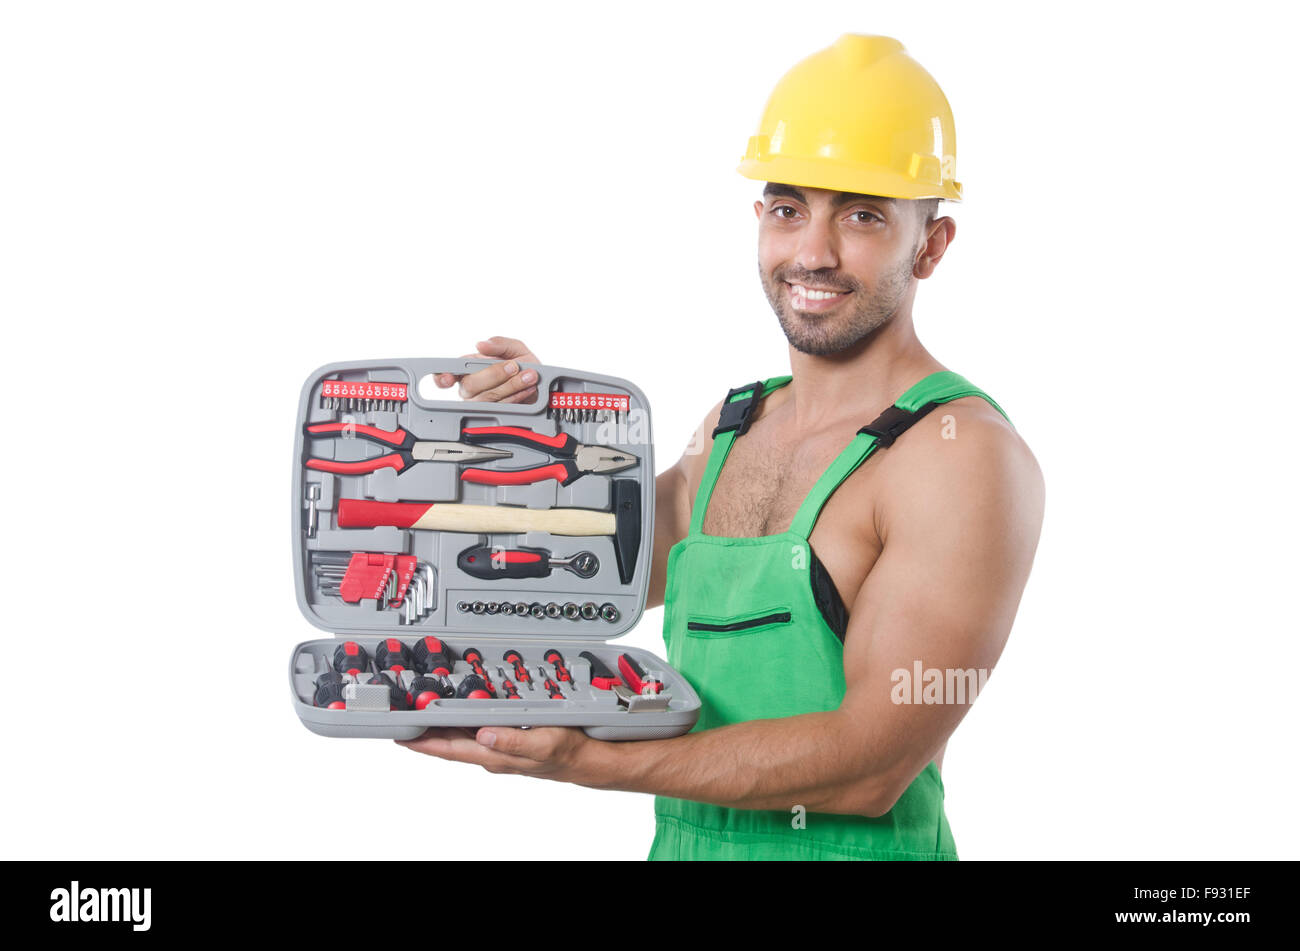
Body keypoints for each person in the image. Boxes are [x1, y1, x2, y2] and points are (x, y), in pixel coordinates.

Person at [398, 34, 1045, 861]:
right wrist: (526, 428)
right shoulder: (732, 426)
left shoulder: (959, 457)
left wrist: (594, 761)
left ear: (932, 243)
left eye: (863, 215)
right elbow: (595, 575)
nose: (812, 252)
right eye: (788, 208)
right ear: (760, 219)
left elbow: (869, 767)